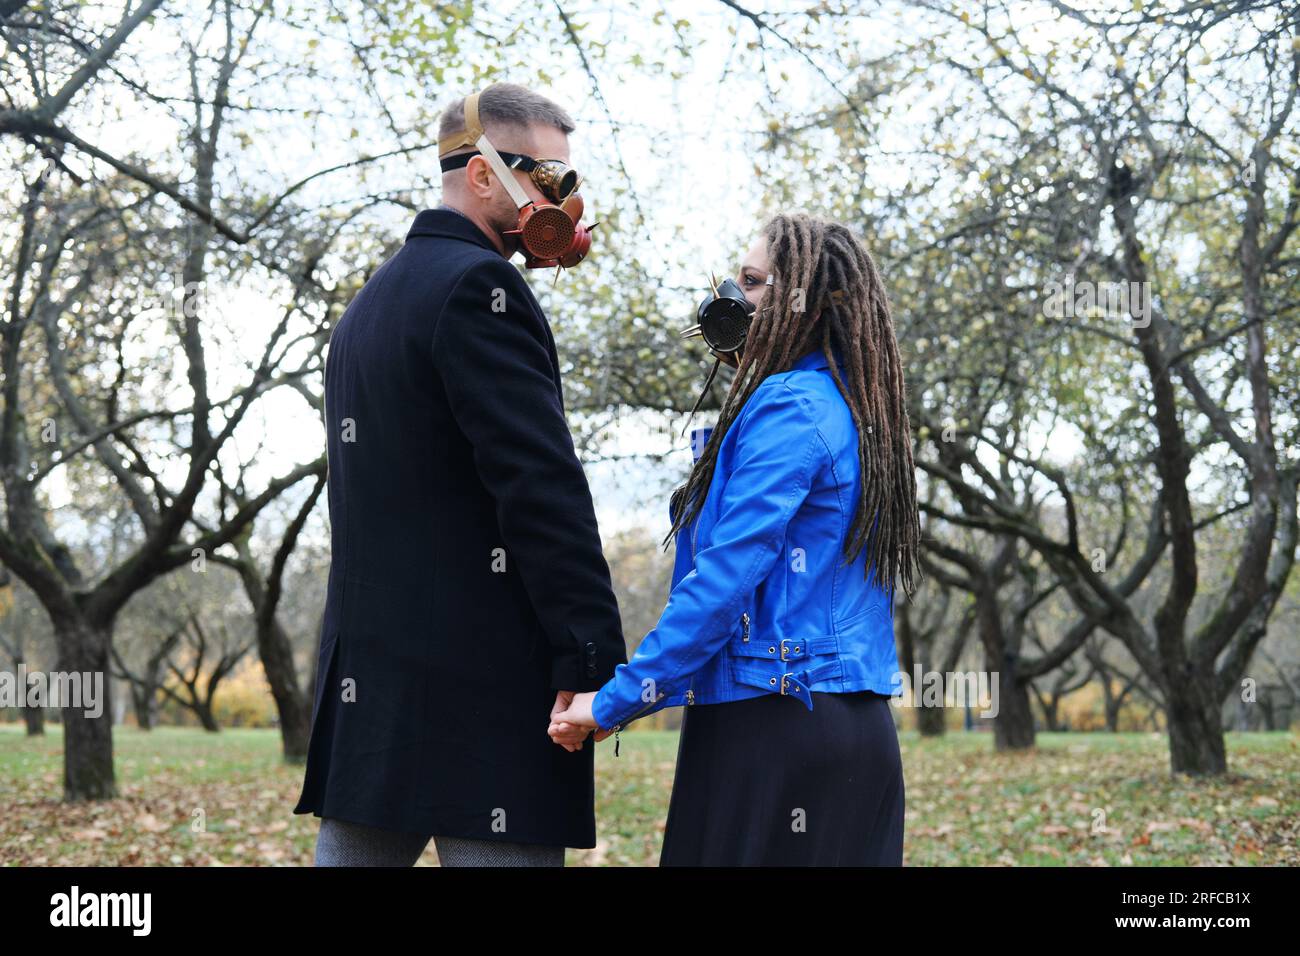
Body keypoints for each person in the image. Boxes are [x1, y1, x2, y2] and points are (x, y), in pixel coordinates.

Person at [294, 83, 626, 867]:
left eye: (568, 182)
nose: (565, 202)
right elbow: (540, 487)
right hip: (482, 687)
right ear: (483, 176)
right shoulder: (482, 289)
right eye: (550, 180)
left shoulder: (369, 305)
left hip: (374, 683)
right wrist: (590, 659)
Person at [550, 213, 920, 866]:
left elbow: (723, 584)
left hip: (771, 727)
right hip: (852, 730)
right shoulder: (850, 407)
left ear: (810, 302)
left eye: (751, 282)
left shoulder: (787, 406)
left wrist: (612, 702)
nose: (729, 296)